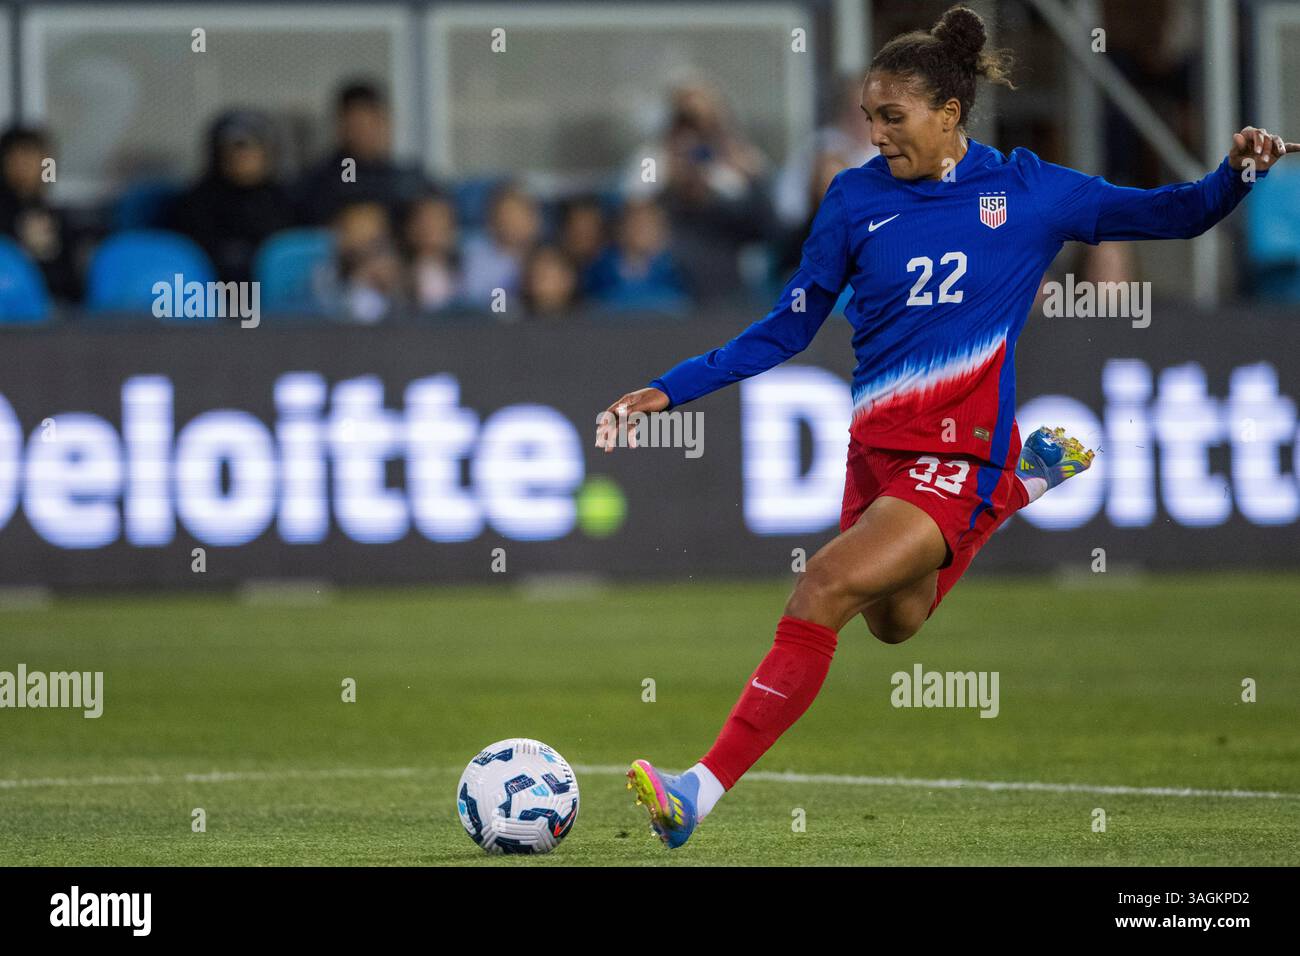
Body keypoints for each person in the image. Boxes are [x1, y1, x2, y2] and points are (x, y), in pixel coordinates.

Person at [594, 4, 1296, 849]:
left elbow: (1172, 213)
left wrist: (1236, 175)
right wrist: (666, 391)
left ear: (950, 114)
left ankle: (694, 794)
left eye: (894, 118)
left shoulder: (1031, 190)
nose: (878, 134)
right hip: (877, 459)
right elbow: (785, 327)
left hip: (955, 454)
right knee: (895, 623)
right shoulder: (854, 199)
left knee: (820, 589)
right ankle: (1017, 489)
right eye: (869, 118)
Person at [167, 110, 295, 283]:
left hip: (274, 299)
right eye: (234, 148)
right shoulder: (195, 203)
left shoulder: (284, 201)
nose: (242, 157)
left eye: (250, 148)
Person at [294, 80, 433, 225]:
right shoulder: (327, 178)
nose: (365, 131)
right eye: (358, 124)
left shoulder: (408, 177)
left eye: (372, 122)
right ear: (341, 125)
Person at [0, 125, 80, 301]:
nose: (24, 167)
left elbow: (71, 285)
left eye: (33, 157)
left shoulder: (56, 217)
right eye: (16, 158)